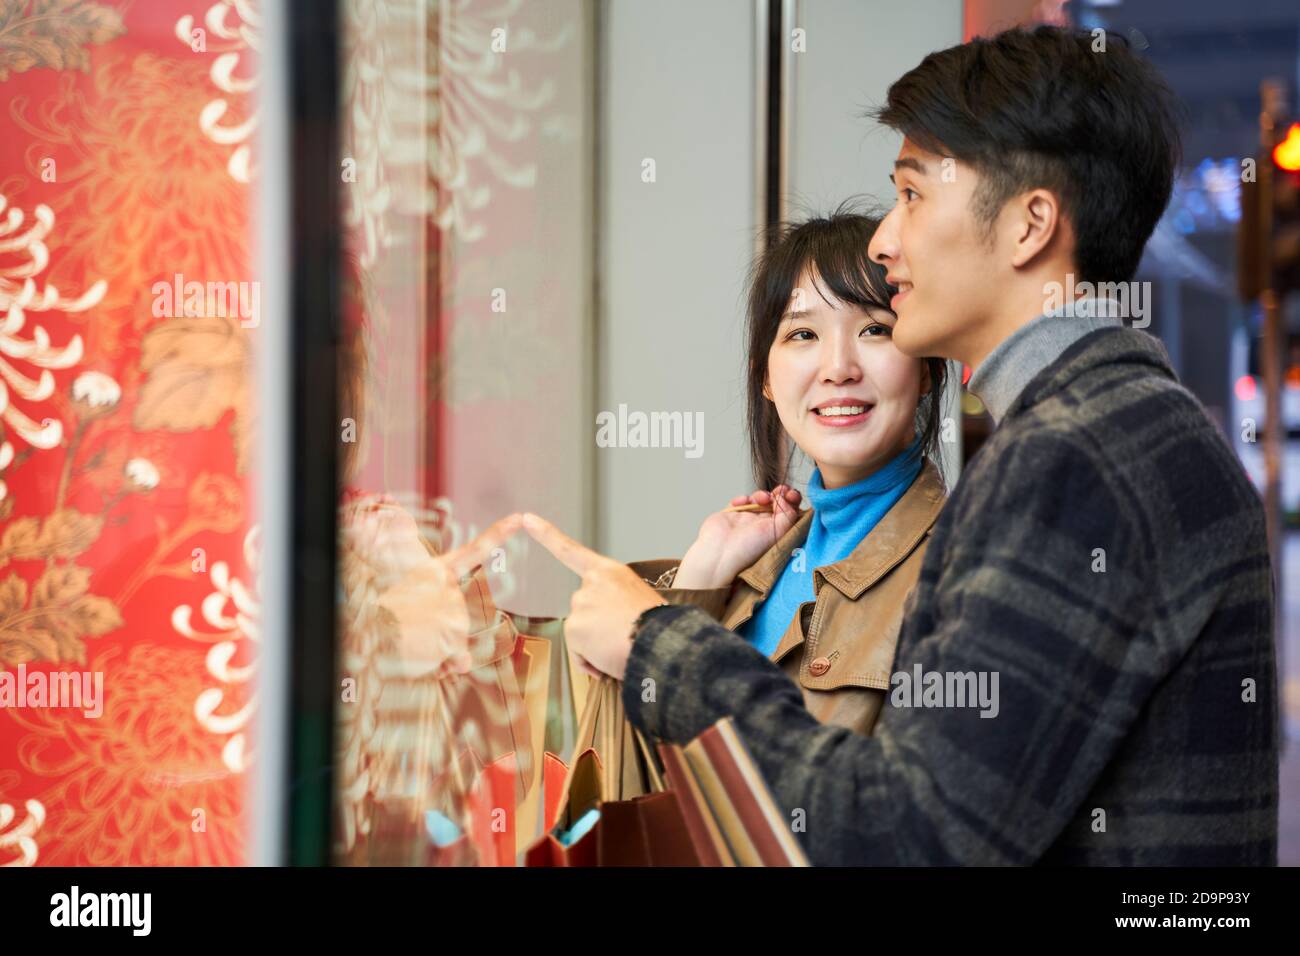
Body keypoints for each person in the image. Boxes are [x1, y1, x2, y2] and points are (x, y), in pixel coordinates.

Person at [518, 26, 1279, 865]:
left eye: (913, 194)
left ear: (1030, 226)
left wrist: (656, 640)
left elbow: (903, 833)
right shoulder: (1119, 423)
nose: (886, 241)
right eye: (800, 338)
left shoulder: (1075, 458)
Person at [626, 207, 947, 736]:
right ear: (766, 379)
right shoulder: (748, 570)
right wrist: (698, 581)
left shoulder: (956, 571)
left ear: (928, 367)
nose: (838, 368)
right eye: (802, 335)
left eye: (873, 329)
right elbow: (638, 779)